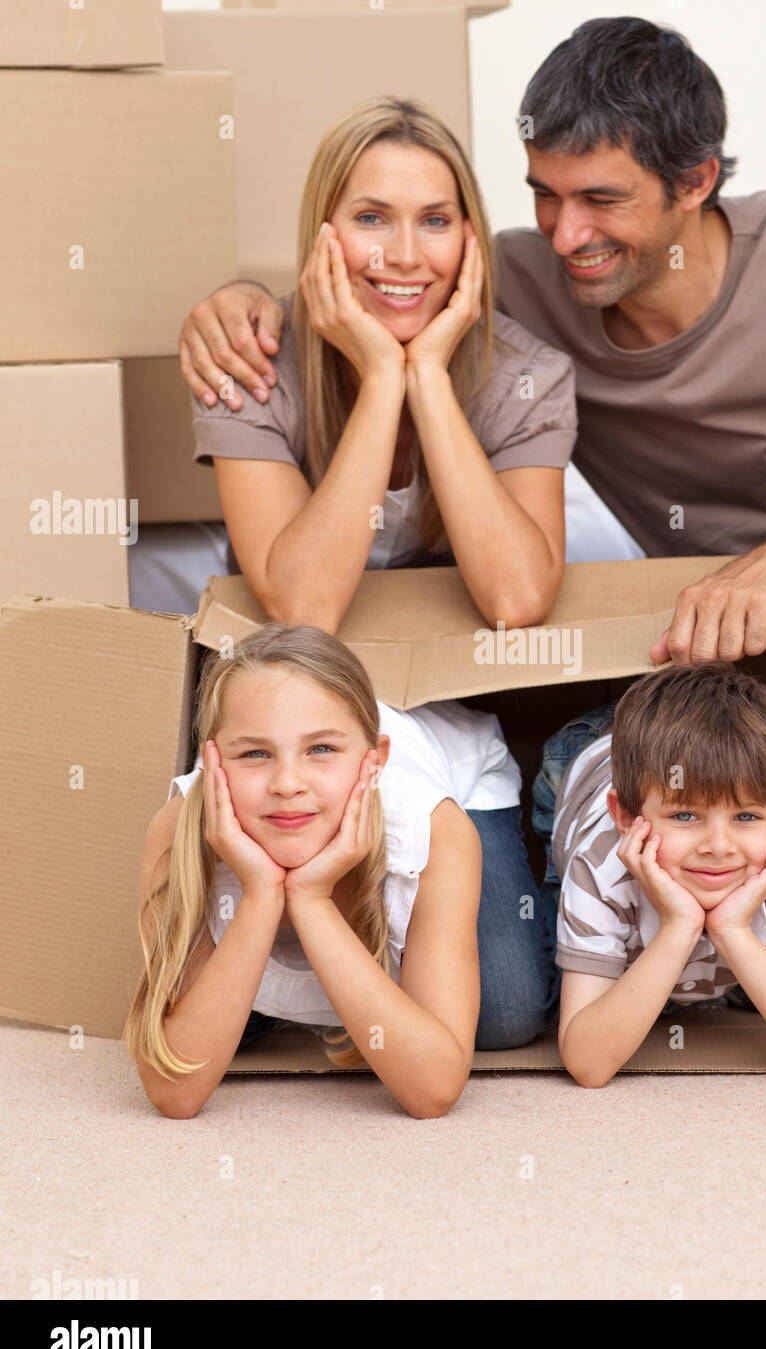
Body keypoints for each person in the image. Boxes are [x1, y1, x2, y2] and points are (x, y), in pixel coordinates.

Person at [179, 18, 766, 666]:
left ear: (696, 180)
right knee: (579, 776)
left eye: (602, 199)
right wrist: (240, 303)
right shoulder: (506, 279)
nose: (567, 237)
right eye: (545, 196)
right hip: (701, 614)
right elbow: (395, 278)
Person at [180, 98, 581, 1049]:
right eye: (371, 218)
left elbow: (517, 595)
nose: (405, 255)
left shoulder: (523, 375)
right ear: (324, 232)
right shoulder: (253, 366)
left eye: (434, 221)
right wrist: (375, 377)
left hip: (438, 734)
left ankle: (370, 971)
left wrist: (429, 378)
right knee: (223, 1023)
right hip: (286, 729)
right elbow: (306, 607)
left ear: (471, 239)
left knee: (511, 1012)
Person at [125, 623, 548, 1119]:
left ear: (376, 762)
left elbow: (434, 1090)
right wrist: (262, 895)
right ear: (210, 760)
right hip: (320, 798)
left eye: (320, 749)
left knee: (507, 1014)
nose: (287, 783)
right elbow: (176, 1091)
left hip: (461, 773)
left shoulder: (431, 827)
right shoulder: (178, 831)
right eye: (255, 753)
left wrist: (310, 899)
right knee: (225, 1027)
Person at [535, 663, 766, 1087]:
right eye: (685, 815)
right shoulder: (600, 866)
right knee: (547, 971)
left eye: (746, 816)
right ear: (626, 817)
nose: (718, 846)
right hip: (584, 756)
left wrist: (733, 931)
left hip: (716, 772)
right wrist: (679, 927)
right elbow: (588, 1064)